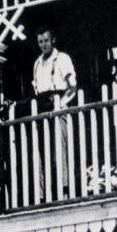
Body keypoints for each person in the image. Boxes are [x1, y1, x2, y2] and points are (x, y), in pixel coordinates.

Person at [31, 26, 77, 198]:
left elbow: (73, 87)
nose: (43, 45)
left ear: (53, 40)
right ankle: (44, 193)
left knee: (60, 150)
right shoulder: (37, 63)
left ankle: (64, 190)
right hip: (43, 111)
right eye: (40, 42)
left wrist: (59, 105)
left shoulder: (62, 59)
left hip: (59, 109)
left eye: (46, 41)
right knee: (42, 152)